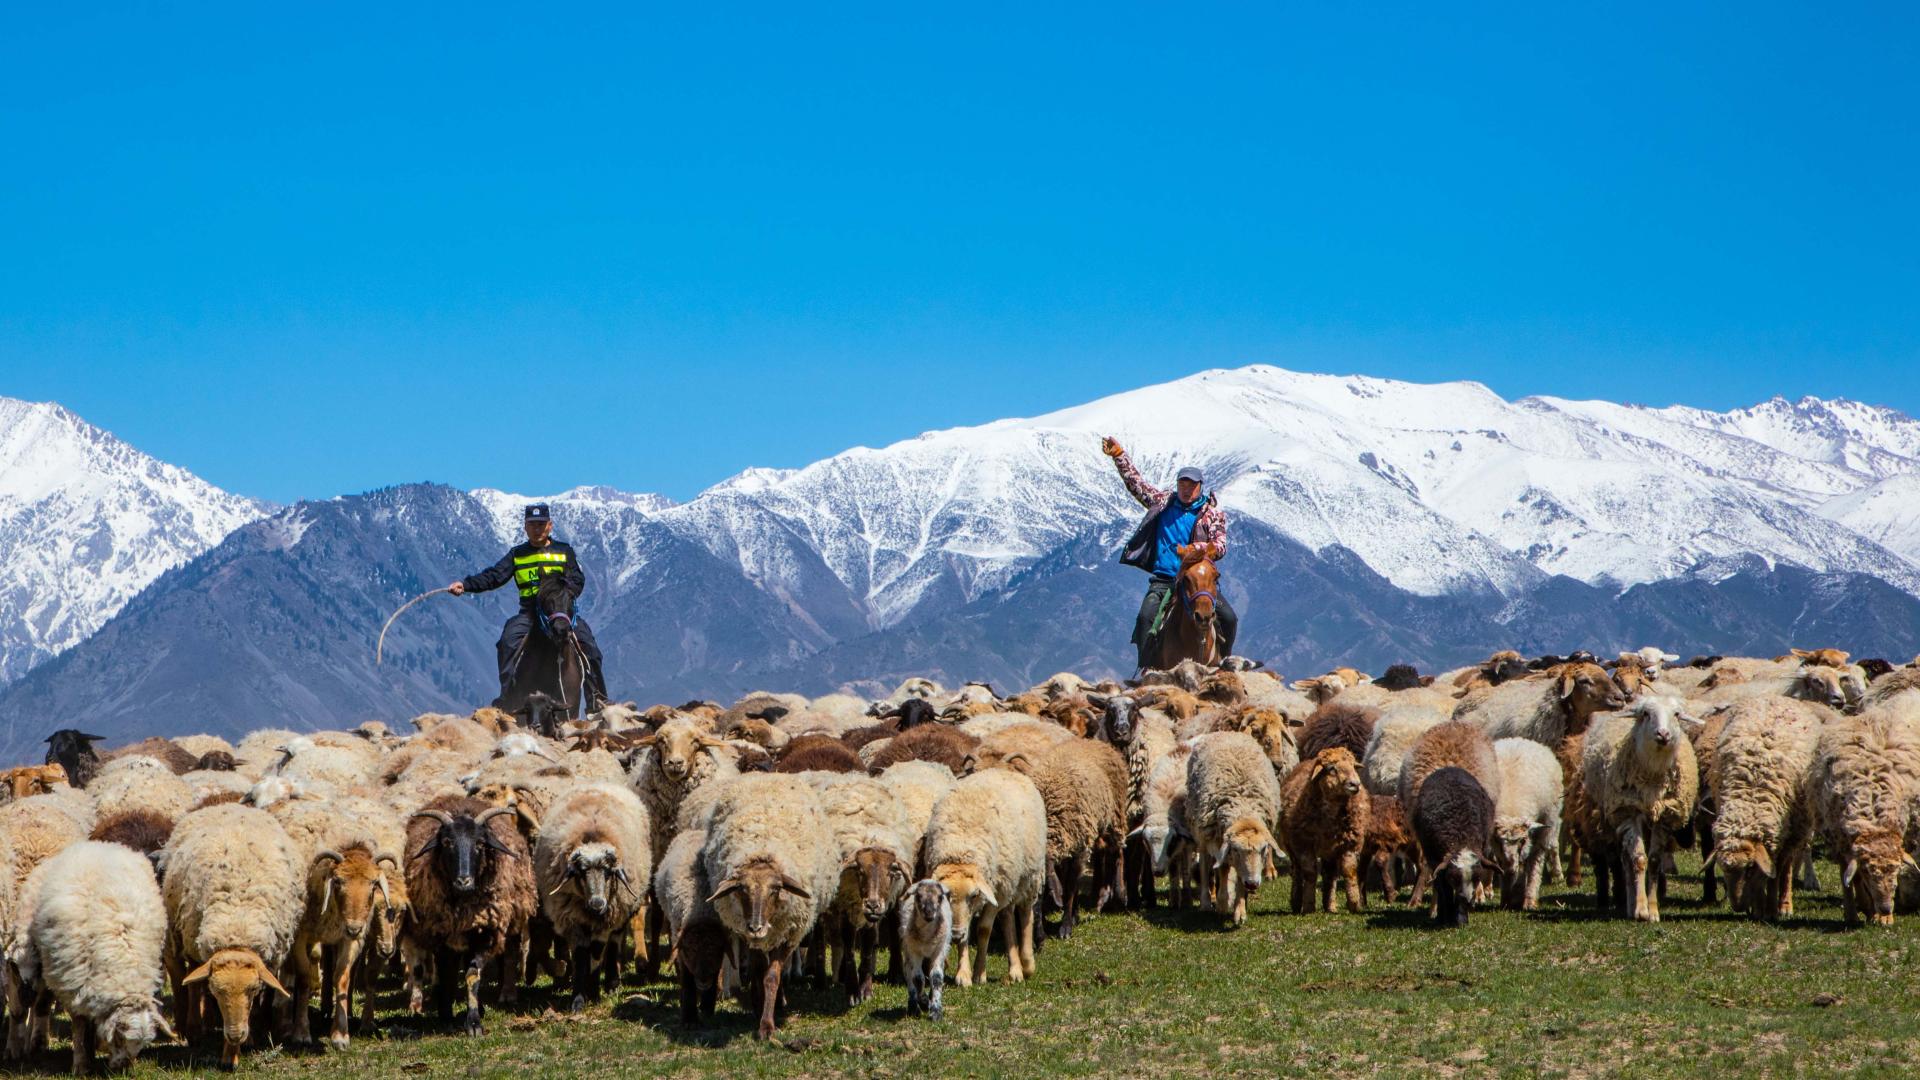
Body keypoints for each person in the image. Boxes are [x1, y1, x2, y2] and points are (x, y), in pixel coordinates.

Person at [448, 503, 609, 708]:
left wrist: (562, 595)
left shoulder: (564, 551)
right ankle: (507, 696)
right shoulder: (517, 554)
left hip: (561, 612)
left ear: (550, 525)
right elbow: (495, 576)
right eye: (532, 524)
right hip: (530, 614)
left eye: (541, 524)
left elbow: (578, 579)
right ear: (525, 527)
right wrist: (466, 585)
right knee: (507, 642)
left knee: (590, 648)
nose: (537, 528)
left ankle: (597, 700)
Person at [1102, 436, 1239, 673]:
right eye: (1182, 484)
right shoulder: (1163, 503)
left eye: (1191, 485)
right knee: (1146, 618)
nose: (1186, 490)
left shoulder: (1212, 514)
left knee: (1229, 618)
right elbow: (1137, 485)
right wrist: (1119, 456)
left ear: (1200, 487)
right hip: (1165, 578)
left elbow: (1220, 544)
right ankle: (1148, 669)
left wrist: (1197, 550)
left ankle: (1224, 665)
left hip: (1197, 581)